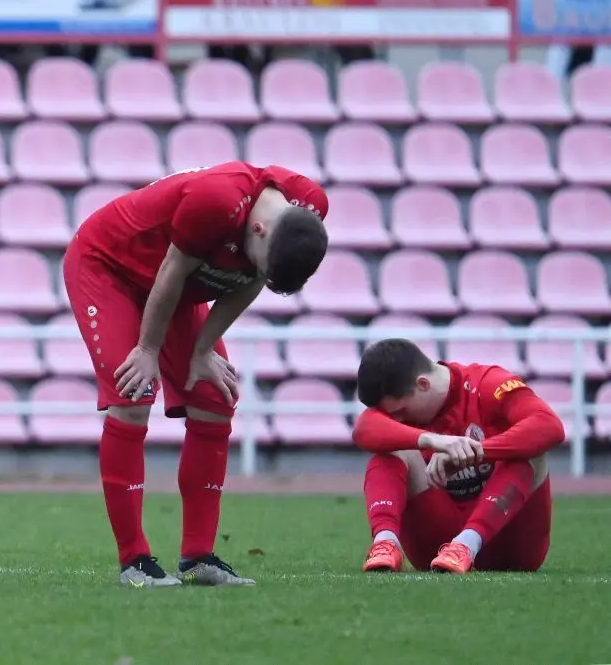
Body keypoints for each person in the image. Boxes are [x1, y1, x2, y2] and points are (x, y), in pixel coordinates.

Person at [64, 162, 328, 588]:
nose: (261, 272)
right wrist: (147, 350)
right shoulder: (216, 202)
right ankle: (135, 560)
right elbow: (170, 270)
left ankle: (198, 557)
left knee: (215, 398)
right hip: (108, 267)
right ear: (258, 230)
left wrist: (203, 349)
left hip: (175, 286)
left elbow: (252, 277)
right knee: (132, 395)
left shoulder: (308, 208)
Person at [352, 339, 563, 574]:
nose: (399, 420)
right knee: (389, 450)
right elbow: (363, 429)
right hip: (437, 549)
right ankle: (385, 543)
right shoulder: (407, 407)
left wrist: (477, 453)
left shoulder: (487, 384)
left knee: (531, 450)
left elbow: (550, 426)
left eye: (401, 411)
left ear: (423, 384)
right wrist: (433, 440)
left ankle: (467, 544)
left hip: (514, 545)